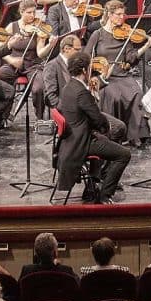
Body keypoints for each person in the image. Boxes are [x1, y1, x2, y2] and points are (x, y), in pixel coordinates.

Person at [54, 46, 132, 204]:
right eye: (90, 67)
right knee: (124, 154)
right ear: (84, 70)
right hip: (81, 143)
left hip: (71, 139)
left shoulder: (68, 87)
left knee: (109, 140)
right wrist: (104, 129)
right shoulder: (81, 92)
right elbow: (98, 120)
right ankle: (104, 196)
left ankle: (94, 184)